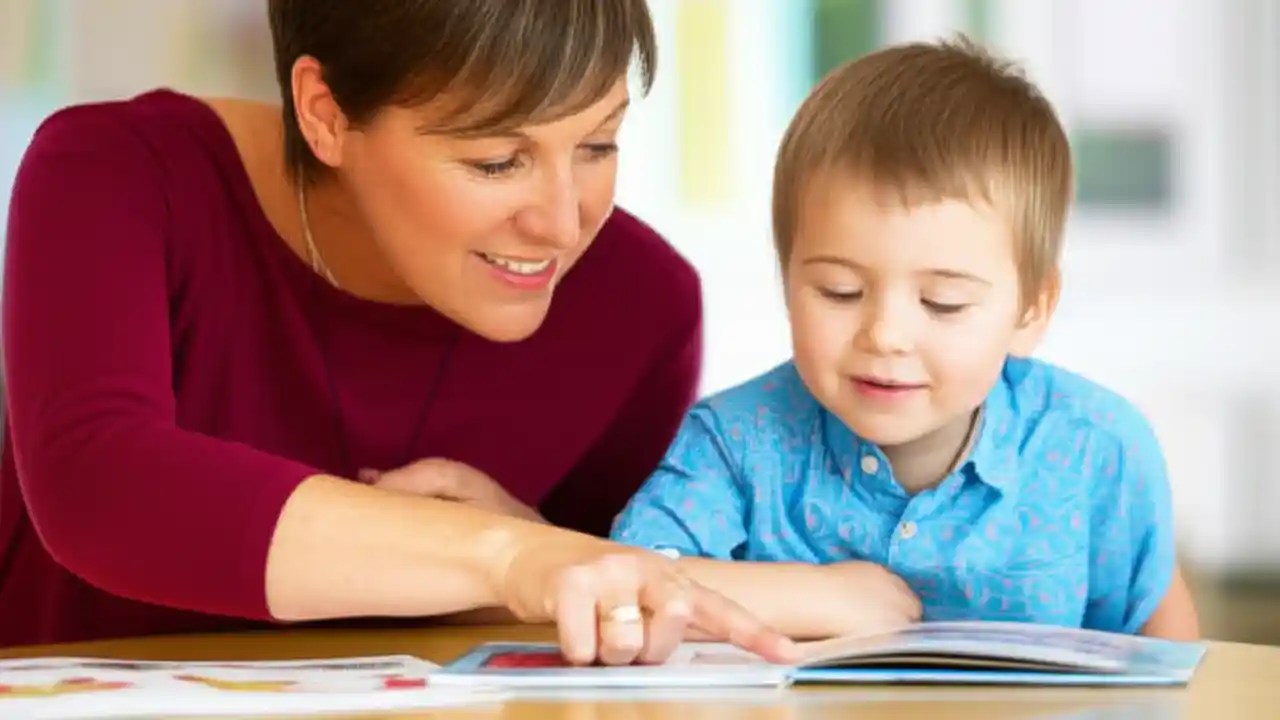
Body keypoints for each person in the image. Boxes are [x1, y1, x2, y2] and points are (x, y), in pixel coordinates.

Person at [0, 0, 803, 665]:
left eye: (597, 145)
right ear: (325, 113)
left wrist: (538, 544)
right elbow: (100, 483)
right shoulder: (117, 173)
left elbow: (611, 602)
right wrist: (503, 554)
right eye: (497, 161)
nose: (563, 224)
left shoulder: (642, 305)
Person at [611, 36, 1201, 641]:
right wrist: (814, 597)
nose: (886, 336)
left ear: (1031, 309)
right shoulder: (734, 444)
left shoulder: (1096, 449)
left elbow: (1174, 666)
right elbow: (623, 589)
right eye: (840, 291)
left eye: (942, 303)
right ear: (787, 278)